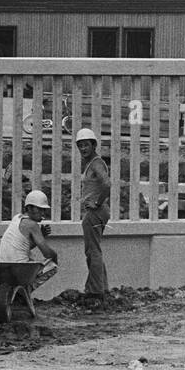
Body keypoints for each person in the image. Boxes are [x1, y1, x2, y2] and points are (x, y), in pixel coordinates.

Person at [0, 189, 59, 291]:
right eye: (39, 209)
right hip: (19, 270)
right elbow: (47, 254)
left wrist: (40, 235)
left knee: (31, 259)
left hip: (2, 267)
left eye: (44, 210)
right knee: (53, 266)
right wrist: (55, 257)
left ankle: (17, 294)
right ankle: (22, 293)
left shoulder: (16, 218)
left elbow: (22, 247)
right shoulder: (32, 225)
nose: (42, 213)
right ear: (29, 208)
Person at [76, 128, 110, 304]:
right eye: (80, 146)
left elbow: (107, 184)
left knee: (92, 251)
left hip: (95, 212)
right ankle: (101, 287)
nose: (83, 148)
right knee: (94, 249)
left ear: (94, 145)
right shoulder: (92, 163)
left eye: (86, 145)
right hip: (97, 212)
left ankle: (95, 292)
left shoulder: (96, 163)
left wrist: (97, 203)